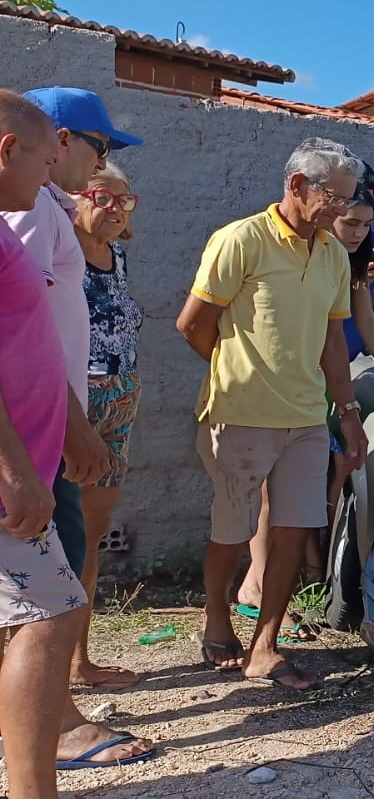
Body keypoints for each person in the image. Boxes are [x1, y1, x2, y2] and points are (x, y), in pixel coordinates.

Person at [176, 137, 369, 692]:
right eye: (333, 198)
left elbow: (333, 340)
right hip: (241, 415)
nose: (340, 210)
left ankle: (265, 645)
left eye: (347, 200)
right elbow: (193, 324)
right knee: (232, 531)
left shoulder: (333, 254)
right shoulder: (241, 240)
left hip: (308, 418)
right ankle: (217, 621)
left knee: (292, 530)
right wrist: (238, 370)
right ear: (297, 186)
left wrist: (347, 413)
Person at [2, 86, 155, 769]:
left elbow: (37, 332)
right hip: (24, 452)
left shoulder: (41, 212)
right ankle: (51, 738)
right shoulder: (28, 213)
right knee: (48, 608)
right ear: (59, 142)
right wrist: (29, 458)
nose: (103, 168)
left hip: (41, 438)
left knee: (48, 602)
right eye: (101, 146)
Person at [234, 158, 374, 615]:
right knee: (272, 487)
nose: (357, 232)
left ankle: (311, 570)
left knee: (322, 478)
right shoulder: (308, 248)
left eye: (365, 225)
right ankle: (254, 581)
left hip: (329, 383)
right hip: (283, 382)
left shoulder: (352, 257)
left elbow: (365, 318)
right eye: (350, 221)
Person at [0, 89, 94, 799]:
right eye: (41, 158)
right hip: (9, 472)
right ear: (8, 150)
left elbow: (31, 340)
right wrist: (15, 467)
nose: (45, 172)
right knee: (52, 613)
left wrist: (74, 428)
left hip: (30, 454)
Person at [66, 163, 145, 690]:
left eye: (125, 199)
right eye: (103, 196)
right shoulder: (58, 250)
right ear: (74, 197)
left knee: (89, 538)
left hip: (118, 402)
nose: (115, 208)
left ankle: (77, 660)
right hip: (70, 403)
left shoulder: (115, 256)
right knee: (48, 536)